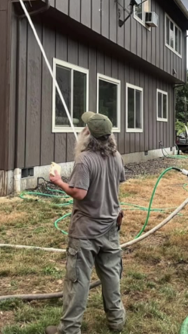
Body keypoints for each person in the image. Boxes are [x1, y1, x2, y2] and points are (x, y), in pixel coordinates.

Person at [46, 112, 126, 334]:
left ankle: (69, 329)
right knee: (111, 275)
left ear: (88, 134)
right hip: (111, 226)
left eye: (84, 129)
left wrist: (59, 181)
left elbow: (79, 193)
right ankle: (117, 321)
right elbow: (117, 184)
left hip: (86, 231)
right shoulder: (117, 156)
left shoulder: (84, 159)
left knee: (77, 280)